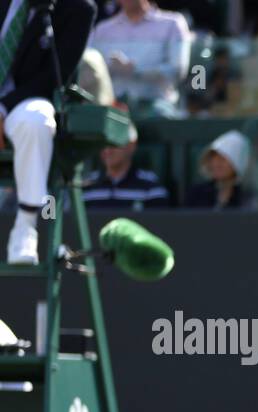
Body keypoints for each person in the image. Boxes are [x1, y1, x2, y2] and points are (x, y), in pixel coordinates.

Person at [0, 0, 97, 264]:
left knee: (37, 120)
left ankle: (26, 227)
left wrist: (2, 109)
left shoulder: (78, 9)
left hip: (24, 100)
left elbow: (56, 76)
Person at [89, 0, 190, 118]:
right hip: (113, 108)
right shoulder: (103, 30)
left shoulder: (172, 23)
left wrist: (136, 70)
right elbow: (91, 69)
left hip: (157, 107)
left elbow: (178, 70)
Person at [82, 119, 171, 208]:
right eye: (103, 143)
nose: (107, 150)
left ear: (131, 145)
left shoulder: (151, 187)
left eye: (113, 143)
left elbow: (159, 220)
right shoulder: (85, 187)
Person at [182, 129, 250, 209]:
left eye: (222, 159)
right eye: (213, 159)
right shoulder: (196, 193)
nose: (216, 164)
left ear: (237, 161)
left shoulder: (246, 198)